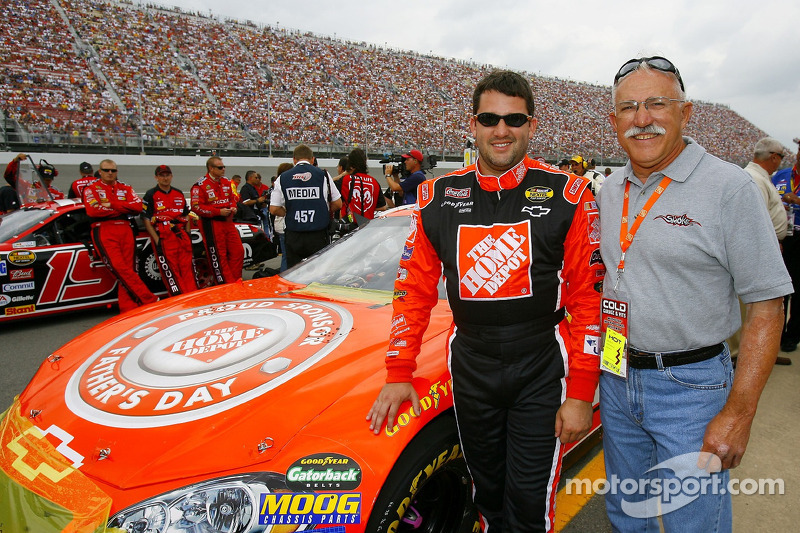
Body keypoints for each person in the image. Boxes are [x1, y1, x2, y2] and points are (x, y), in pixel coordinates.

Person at [366, 70, 602, 532]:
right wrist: (399, 371)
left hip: (541, 368)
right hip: (471, 367)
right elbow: (412, 291)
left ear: (532, 125)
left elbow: (589, 302)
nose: (501, 130)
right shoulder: (435, 197)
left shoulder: (569, 195)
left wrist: (580, 393)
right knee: (487, 497)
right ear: (473, 125)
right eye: (490, 119)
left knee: (529, 503)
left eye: (514, 119)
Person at [598, 56, 792, 532]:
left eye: (657, 104)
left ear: (685, 113)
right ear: (614, 121)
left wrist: (739, 413)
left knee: (694, 522)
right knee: (626, 514)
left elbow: (767, 307)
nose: (642, 118)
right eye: (629, 108)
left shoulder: (729, 188)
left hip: (691, 387)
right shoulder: (609, 189)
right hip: (616, 375)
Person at [727, 138, 790, 363]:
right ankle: (743, 355)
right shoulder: (754, 178)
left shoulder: (758, 177)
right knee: (754, 304)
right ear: (773, 157)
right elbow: (755, 221)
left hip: (762, 245)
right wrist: (770, 244)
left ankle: (755, 352)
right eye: (781, 157)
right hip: (757, 248)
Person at [82, 159, 159, 313]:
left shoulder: (125, 187)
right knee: (120, 269)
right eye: (106, 170)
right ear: (100, 172)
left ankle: (128, 309)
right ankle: (149, 299)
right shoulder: (91, 188)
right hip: (103, 229)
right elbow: (93, 210)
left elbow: (139, 206)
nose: (110, 173)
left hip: (126, 229)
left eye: (113, 170)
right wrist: (124, 208)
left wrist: (112, 205)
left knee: (129, 270)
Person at [269, 145, 342, 268]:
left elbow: (274, 209)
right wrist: (321, 211)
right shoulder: (323, 175)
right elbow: (338, 203)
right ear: (312, 159)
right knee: (318, 271)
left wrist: (290, 212)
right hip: (318, 234)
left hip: (294, 234)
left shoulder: (282, 177)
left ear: (294, 160)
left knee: (294, 272)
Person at [142, 165, 197, 296]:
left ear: (171, 176)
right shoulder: (150, 195)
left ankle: (193, 298)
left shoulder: (178, 193)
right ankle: (179, 300)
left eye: (167, 175)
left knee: (188, 269)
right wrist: (157, 240)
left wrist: (188, 234)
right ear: (156, 177)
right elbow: (146, 219)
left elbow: (186, 215)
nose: (165, 178)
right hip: (164, 236)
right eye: (162, 175)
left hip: (181, 236)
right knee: (171, 272)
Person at [191, 156, 243, 284]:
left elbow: (233, 198)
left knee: (238, 251)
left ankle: (235, 281)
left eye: (224, 167)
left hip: (228, 222)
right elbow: (196, 207)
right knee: (219, 256)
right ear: (211, 168)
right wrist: (218, 212)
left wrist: (233, 207)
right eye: (220, 167)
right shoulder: (200, 185)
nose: (223, 169)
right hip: (211, 224)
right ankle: (225, 284)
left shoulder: (227, 181)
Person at [772, 138, 800, 352]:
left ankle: (792, 335)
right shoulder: (781, 175)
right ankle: (776, 333)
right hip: (782, 238)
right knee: (779, 288)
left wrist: (797, 201)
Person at [340, 148, 387, 219]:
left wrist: (342, 175)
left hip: (350, 222)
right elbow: (383, 207)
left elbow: (334, 199)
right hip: (368, 223)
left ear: (350, 164)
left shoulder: (345, 180)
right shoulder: (374, 182)